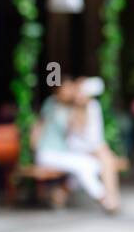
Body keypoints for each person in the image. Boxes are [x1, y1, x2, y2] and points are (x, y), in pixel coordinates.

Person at [33, 75, 121, 214]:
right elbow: (39, 125)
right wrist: (35, 146)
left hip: (62, 153)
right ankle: (104, 198)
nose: (69, 91)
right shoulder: (51, 104)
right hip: (49, 152)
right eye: (66, 88)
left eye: (71, 88)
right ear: (59, 89)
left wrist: (83, 103)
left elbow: (80, 130)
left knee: (92, 166)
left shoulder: (73, 108)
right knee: (84, 165)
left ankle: (60, 192)